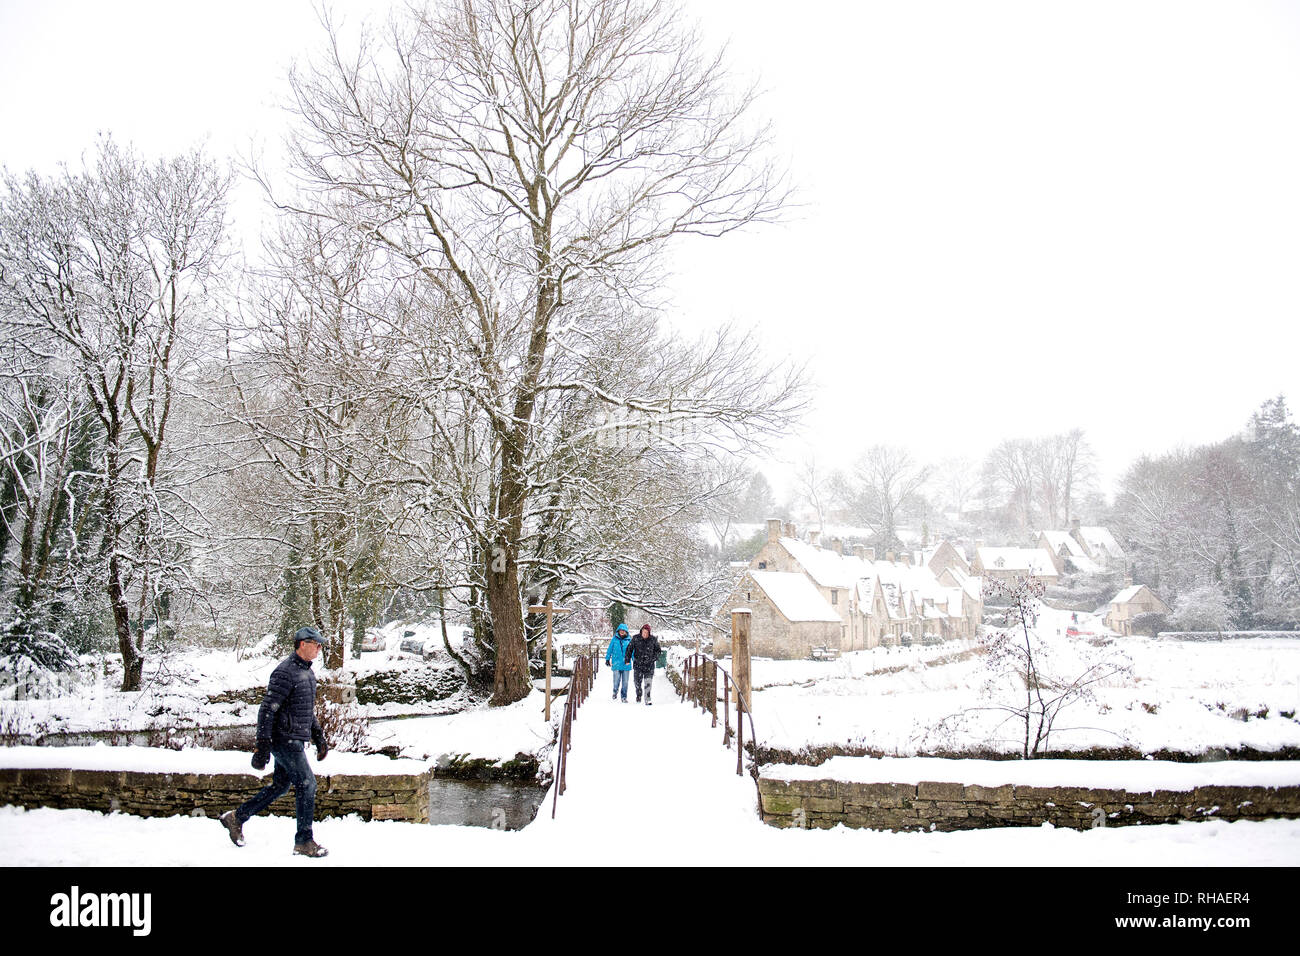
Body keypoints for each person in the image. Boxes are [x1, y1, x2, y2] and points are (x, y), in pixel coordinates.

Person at [219, 625, 331, 857]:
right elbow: (267, 710)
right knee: (307, 784)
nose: (319, 649)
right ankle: (303, 841)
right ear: (303, 644)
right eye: (316, 644)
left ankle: (236, 817)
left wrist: (319, 737)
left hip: (295, 739)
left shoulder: (307, 673)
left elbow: (306, 710)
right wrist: (263, 746)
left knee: (281, 786)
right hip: (284, 739)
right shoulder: (285, 672)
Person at [624, 623, 661, 705]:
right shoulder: (635, 638)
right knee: (637, 682)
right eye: (644, 632)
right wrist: (627, 659)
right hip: (638, 665)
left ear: (649, 633)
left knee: (648, 683)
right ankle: (639, 694)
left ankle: (647, 698)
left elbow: (658, 651)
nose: (645, 634)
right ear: (641, 631)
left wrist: (653, 658)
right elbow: (629, 649)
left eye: (647, 633)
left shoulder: (653, 640)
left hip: (649, 665)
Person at [605, 622, 632, 702]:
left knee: (625, 682)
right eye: (621, 630)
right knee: (616, 681)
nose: (622, 632)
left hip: (626, 664)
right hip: (616, 663)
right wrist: (607, 659)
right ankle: (615, 692)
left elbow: (632, 651)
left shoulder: (629, 640)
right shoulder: (614, 639)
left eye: (624, 630)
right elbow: (610, 649)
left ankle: (624, 697)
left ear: (626, 631)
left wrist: (635, 660)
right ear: (618, 631)